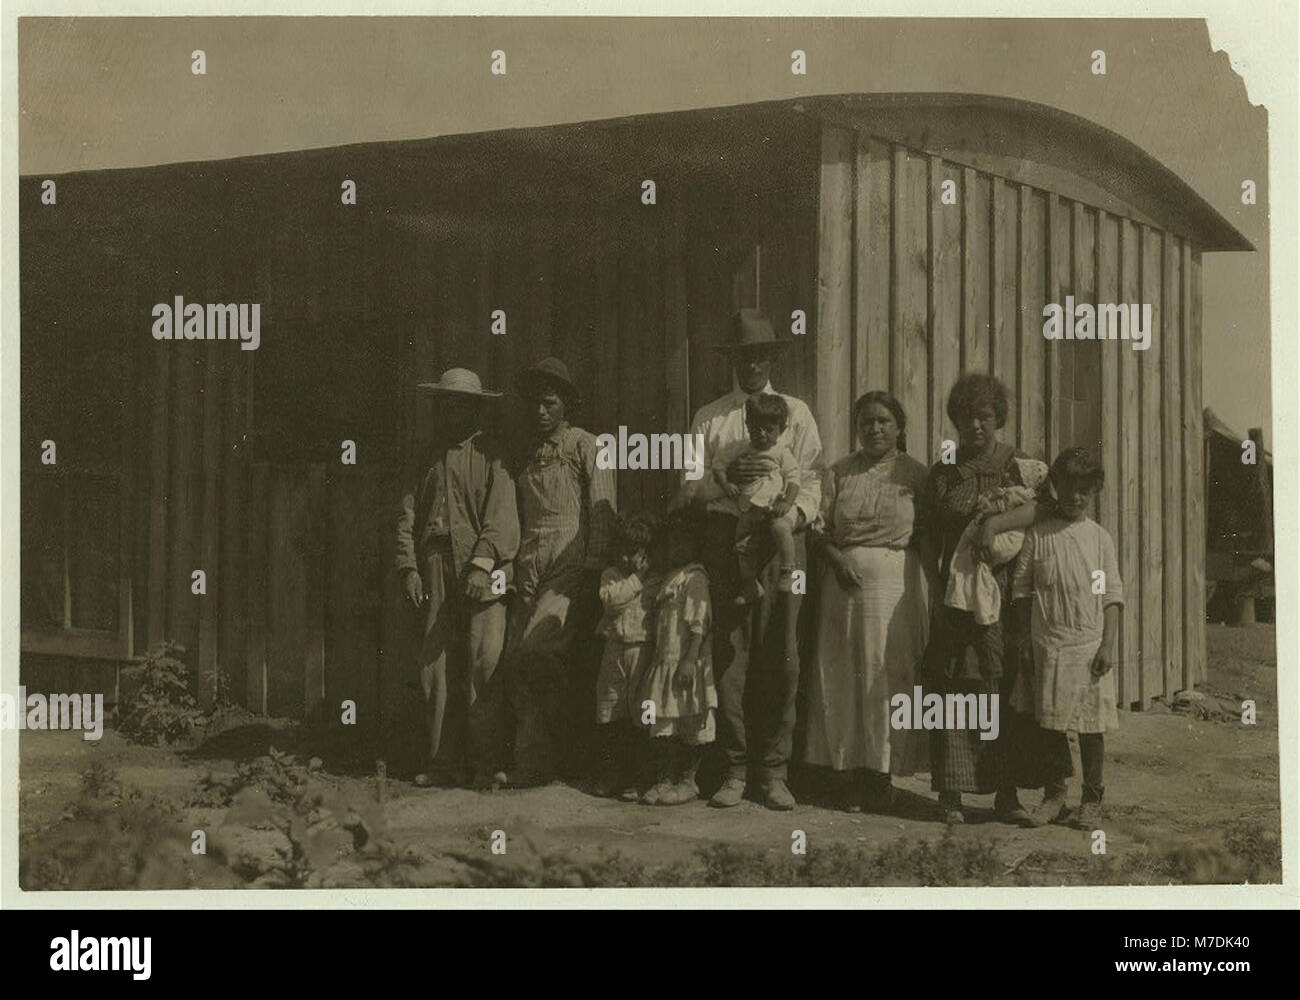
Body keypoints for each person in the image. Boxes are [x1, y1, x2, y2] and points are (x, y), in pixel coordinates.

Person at [674, 308, 823, 811]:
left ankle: (773, 770)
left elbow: (815, 481)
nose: (751, 365)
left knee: (783, 654)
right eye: (743, 357)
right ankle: (734, 770)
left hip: (783, 544)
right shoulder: (710, 417)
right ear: (732, 361)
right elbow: (688, 487)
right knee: (730, 656)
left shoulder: (797, 413)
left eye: (760, 355)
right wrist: (725, 478)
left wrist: (787, 518)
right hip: (727, 541)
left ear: (772, 358)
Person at [920, 373, 1042, 826]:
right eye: (966, 417)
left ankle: (1006, 795)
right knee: (954, 683)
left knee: (1002, 686)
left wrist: (994, 525)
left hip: (1007, 591)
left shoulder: (1018, 464)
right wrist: (933, 588)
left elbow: (1040, 508)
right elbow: (929, 533)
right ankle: (951, 793)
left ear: (999, 419)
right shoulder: (945, 471)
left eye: (984, 416)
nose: (974, 425)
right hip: (955, 593)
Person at [803, 391, 932, 812]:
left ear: (899, 427)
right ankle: (846, 775)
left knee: (886, 677)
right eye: (866, 423)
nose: (874, 429)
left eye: (883, 422)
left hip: (895, 589)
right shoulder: (839, 473)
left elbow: (930, 537)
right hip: (841, 589)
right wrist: (837, 560)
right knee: (841, 676)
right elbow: (818, 528)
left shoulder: (916, 475)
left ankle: (882, 777)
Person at [394, 367, 518, 788]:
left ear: (476, 409)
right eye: (447, 406)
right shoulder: (425, 456)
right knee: (435, 666)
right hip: (435, 562)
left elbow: (502, 519)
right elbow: (406, 517)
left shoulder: (492, 456)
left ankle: (486, 766)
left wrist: (483, 564)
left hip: (485, 567)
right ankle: (441, 763)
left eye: (463, 406)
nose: (454, 414)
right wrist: (409, 567)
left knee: (486, 661)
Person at [504, 357, 617, 786]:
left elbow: (603, 512)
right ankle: (534, 761)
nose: (540, 412)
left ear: (566, 404)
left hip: (570, 564)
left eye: (549, 403)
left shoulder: (587, 446)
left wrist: (593, 571)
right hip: (528, 564)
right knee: (516, 661)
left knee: (539, 652)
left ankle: (564, 752)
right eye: (534, 404)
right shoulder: (525, 453)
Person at [1009, 448, 1123, 830]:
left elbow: (1110, 596)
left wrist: (1107, 644)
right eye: (1070, 489)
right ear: (1056, 487)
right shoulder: (1039, 535)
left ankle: (1091, 798)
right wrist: (1025, 639)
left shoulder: (1098, 539)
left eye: (1085, 491)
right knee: (1050, 725)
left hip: (1089, 644)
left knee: (1092, 727)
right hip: (1049, 643)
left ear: (1094, 493)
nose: (1076, 497)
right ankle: (1054, 795)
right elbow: (1022, 590)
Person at [636, 507, 716, 805]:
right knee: (664, 724)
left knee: (690, 723)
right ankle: (664, 779)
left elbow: (700, 621)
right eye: (672, 543)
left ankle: (688, 781)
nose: (676, 548)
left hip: (685, 661)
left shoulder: (694, 578)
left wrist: (689, 659)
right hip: (664, 660)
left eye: (684, 542)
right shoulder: (669, 577)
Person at [592, 513, 660, 799]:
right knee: (610, 709)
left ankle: (638, 778)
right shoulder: (610, 577)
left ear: (645, 553)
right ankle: (612, 775)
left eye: (632, 553)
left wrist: (641, 578)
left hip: (642, 650)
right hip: (615, 648)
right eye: (620, 551)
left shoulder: (655, 579)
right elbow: (612, 602)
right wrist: (636, 579)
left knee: (639, 712)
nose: (625, 558)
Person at [711, 393, 802, 604]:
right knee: (741, 545)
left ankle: (789, 571)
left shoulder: (781, 452)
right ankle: (750, 585)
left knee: (781, 527)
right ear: (747, 425)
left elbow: (794, 479)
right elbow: (719, 466)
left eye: (769, 430)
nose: (761, 435)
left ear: (782, 429)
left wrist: (787, 502)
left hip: (772, 506)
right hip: (749, 508)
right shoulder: (739, 448)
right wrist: (727, 484)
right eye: (755, 429)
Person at [944, 457, 1049, 625]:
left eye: (1014, 474)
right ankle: (976, 596)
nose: (1007, 475)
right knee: (974, 561)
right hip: (1001, 533)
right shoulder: (1008, 490)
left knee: (974, 559)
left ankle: (979, 598)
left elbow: (1007, 503)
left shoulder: (1019, 492)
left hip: (1010, 536)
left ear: (1023, 480)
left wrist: (991, 514)